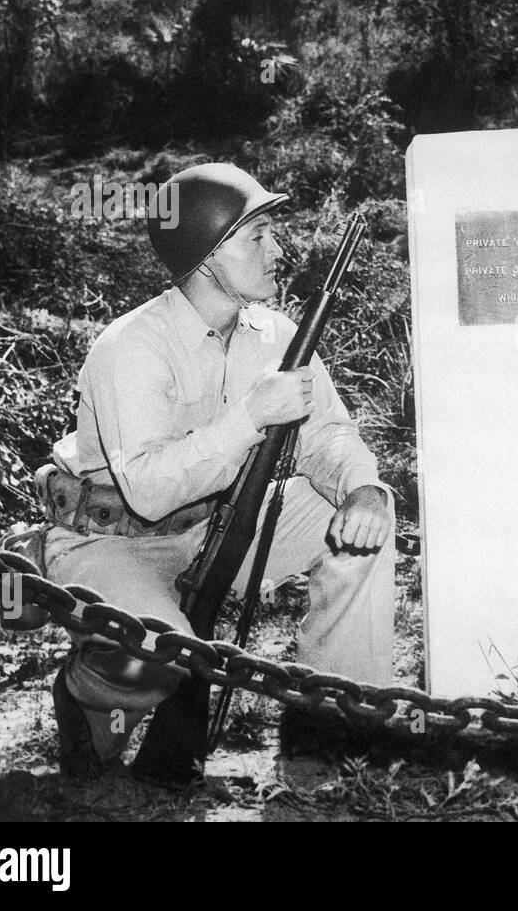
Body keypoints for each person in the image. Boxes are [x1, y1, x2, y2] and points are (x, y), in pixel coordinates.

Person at [35, 161, 395, 780]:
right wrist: (251, 416)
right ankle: (89, 700)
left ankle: (328, 731)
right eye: (257, 236)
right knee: (158, 654)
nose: (277, 249)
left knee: (368, 524)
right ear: (206, 257)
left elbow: (328, 435)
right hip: (109, 540)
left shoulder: (277, 335)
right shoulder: (131, 347)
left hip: (216, 524)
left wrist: (361, 488)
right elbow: (147, 490)